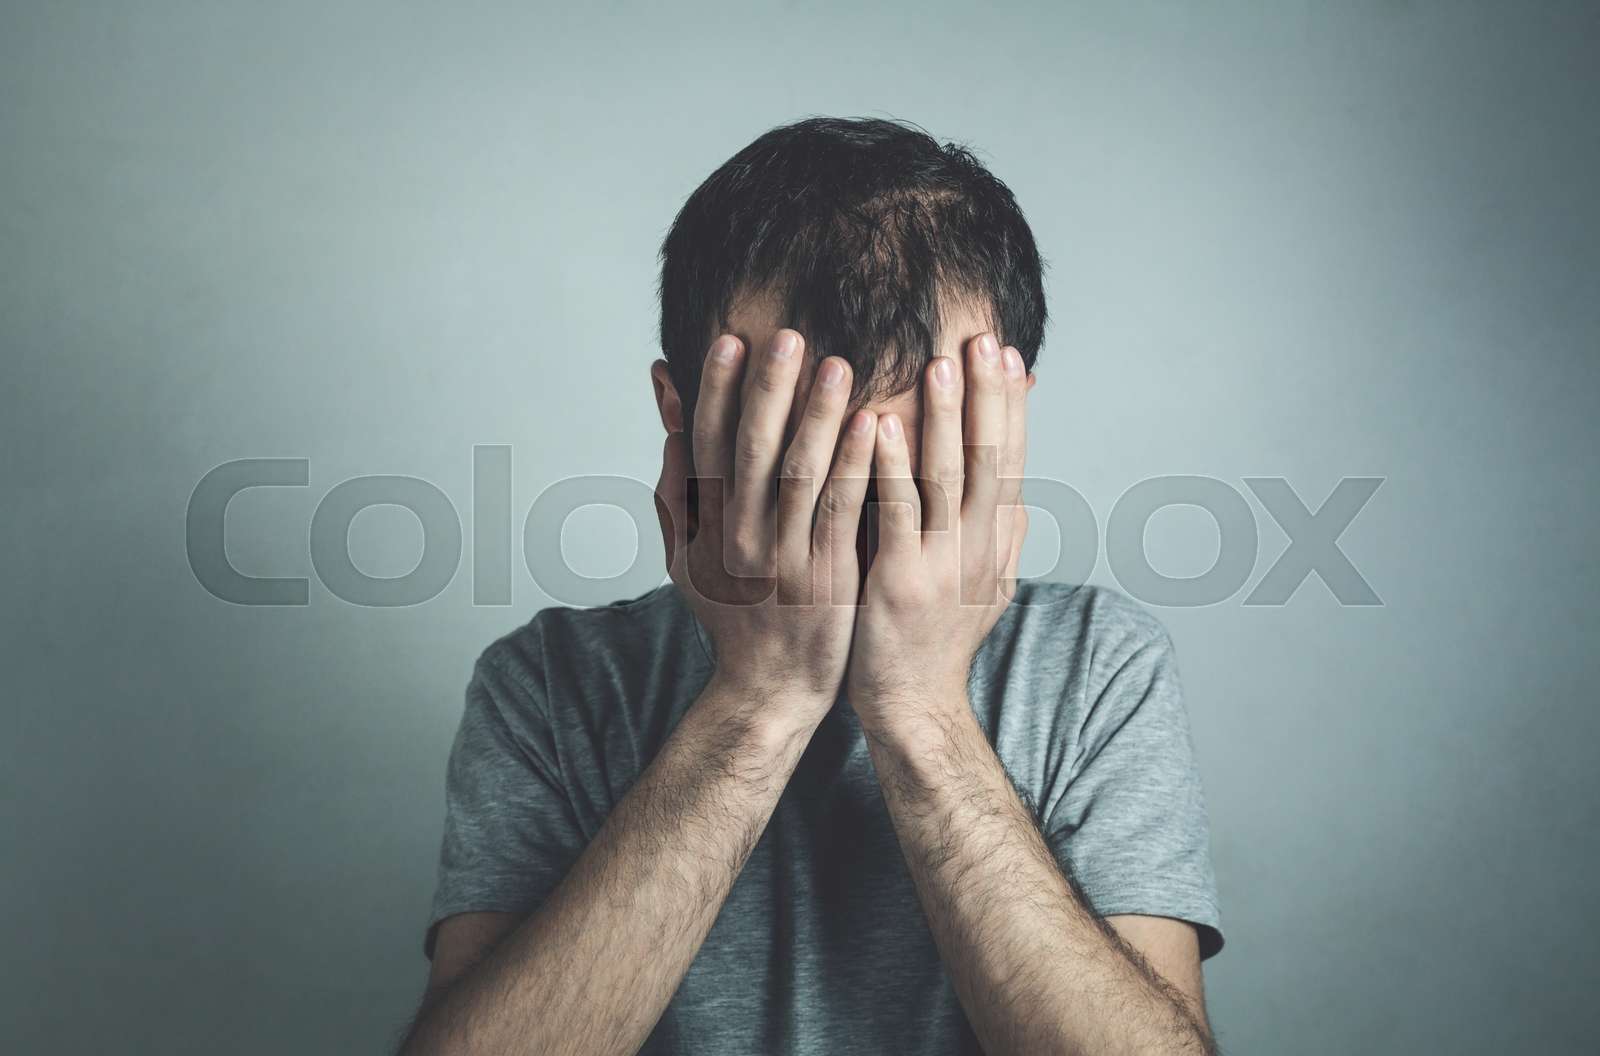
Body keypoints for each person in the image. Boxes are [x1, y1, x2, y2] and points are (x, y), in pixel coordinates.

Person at [399, 116, 1223, 1056]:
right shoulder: (551, 682)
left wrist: (918, 709)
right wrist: (760, 698)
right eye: (799, 439)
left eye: (915, 444)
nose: (848, 500)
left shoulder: (1096, 666)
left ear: (1006, 422)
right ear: (683, 419)